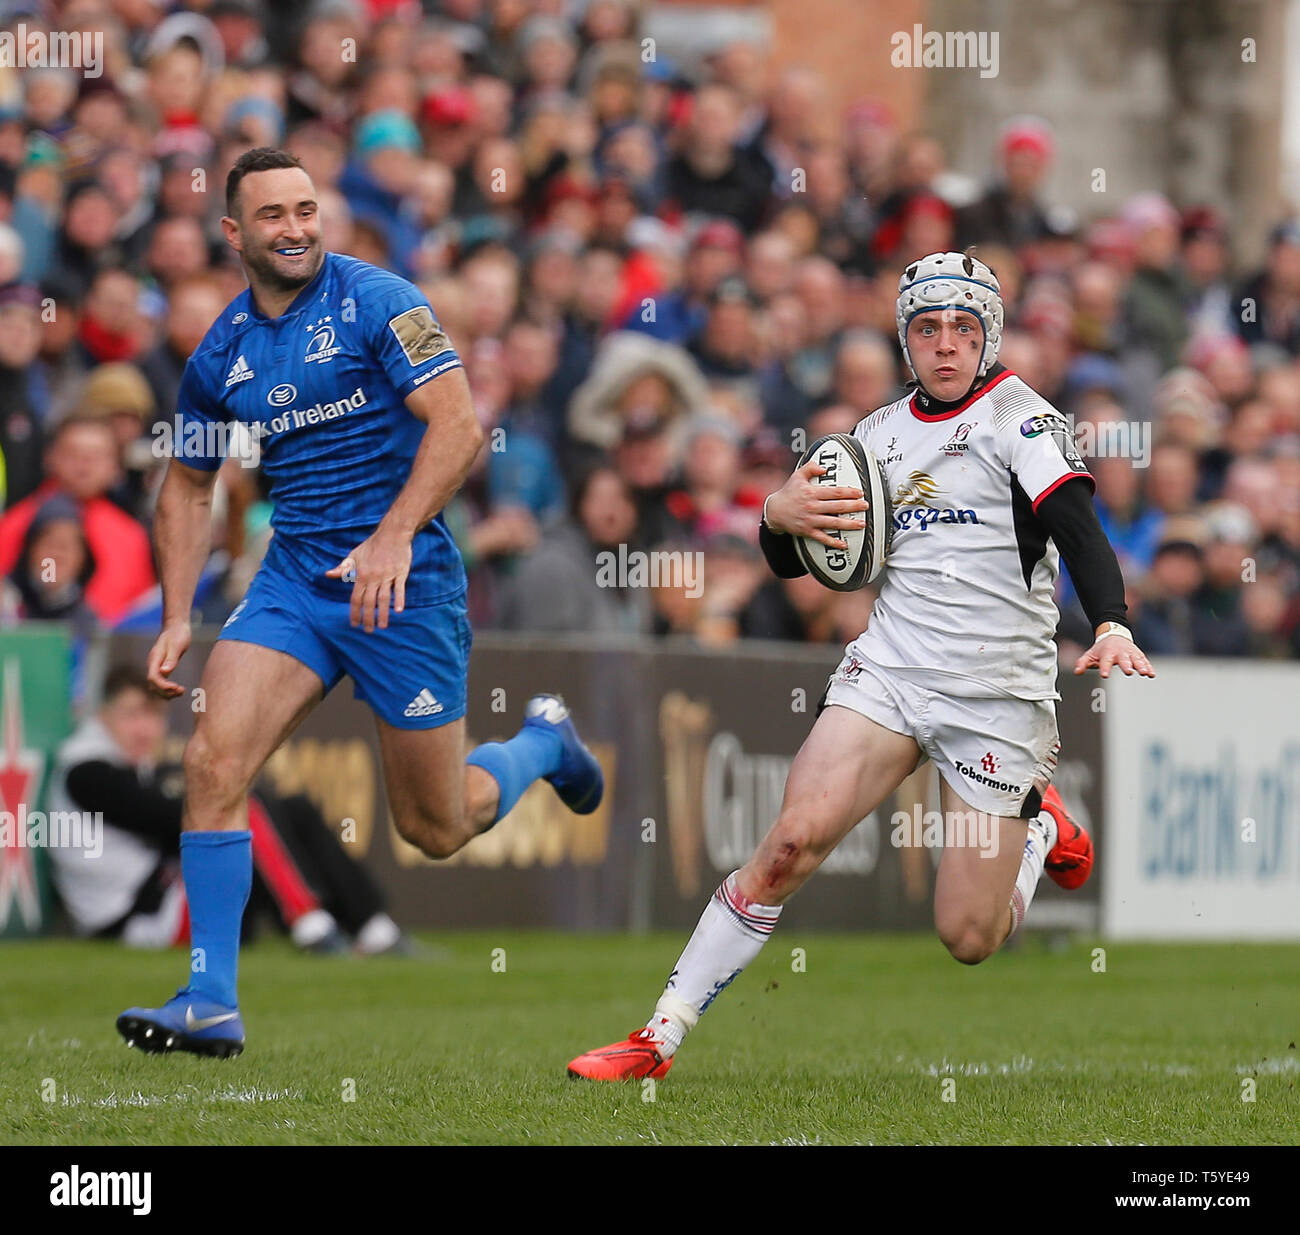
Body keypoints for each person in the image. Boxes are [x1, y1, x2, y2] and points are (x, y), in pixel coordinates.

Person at [568, 250, 1155, 1081]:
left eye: (963, 327)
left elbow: (1077, 524)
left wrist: (1113, 622)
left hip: (996, 695)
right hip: (891, 671)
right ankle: (657, 1035)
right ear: (904, 339)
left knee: (969, 936)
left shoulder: (1023, 419)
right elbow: (789, 558)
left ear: (987, 335)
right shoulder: (873, 436)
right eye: (927, 328)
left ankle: (1039, 831)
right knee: (790, 841)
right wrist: (777, 512)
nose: (946, 344)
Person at [116, 147, 604, 1059]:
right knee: (214, 764)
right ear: (234, 234)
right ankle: (210, 998)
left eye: (306, 209)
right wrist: (179, 611)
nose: (296, 227)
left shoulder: (382, 300)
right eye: (273, 215)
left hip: (405, 583)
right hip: (296, 582)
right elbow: (186, 483)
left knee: (436, 826)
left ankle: (543, 743)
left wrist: (390, 534)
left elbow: (457, 425)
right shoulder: (219, 350)